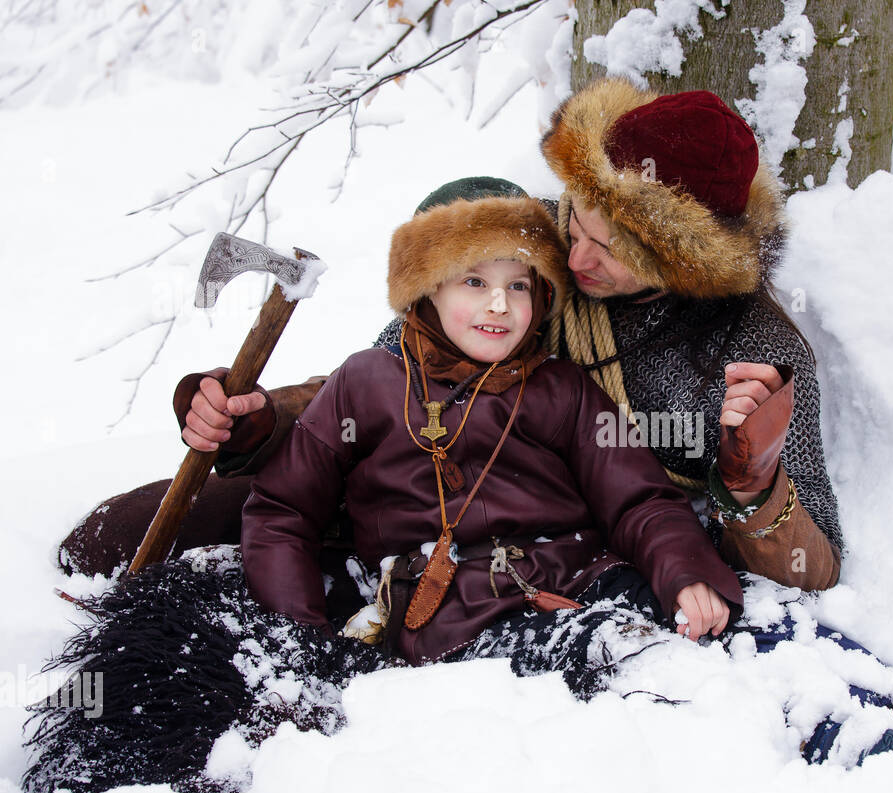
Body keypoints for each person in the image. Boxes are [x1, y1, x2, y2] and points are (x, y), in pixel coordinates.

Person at [59, 78, 843, 596]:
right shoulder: (538, 242)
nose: (575, 258)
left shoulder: (754, 349)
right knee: (119, 536)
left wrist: (753, 487)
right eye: (580, 220)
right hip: (421, 480)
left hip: (562, 547)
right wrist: (261, 420)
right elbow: (393, 368)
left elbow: (818, 565)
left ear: (679, 264)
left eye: (610, 251)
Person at [242, 179, 743, 662]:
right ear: (427, 289)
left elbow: (638, 500)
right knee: (607, 668)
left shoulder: (561, 387)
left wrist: (686, 572)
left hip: (581, 582)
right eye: (474, 281)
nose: (499, 305)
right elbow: (282, 511)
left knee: (728, 654)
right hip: (449, 615)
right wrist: (302, 638)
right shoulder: (367, 381)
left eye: (519, 285)